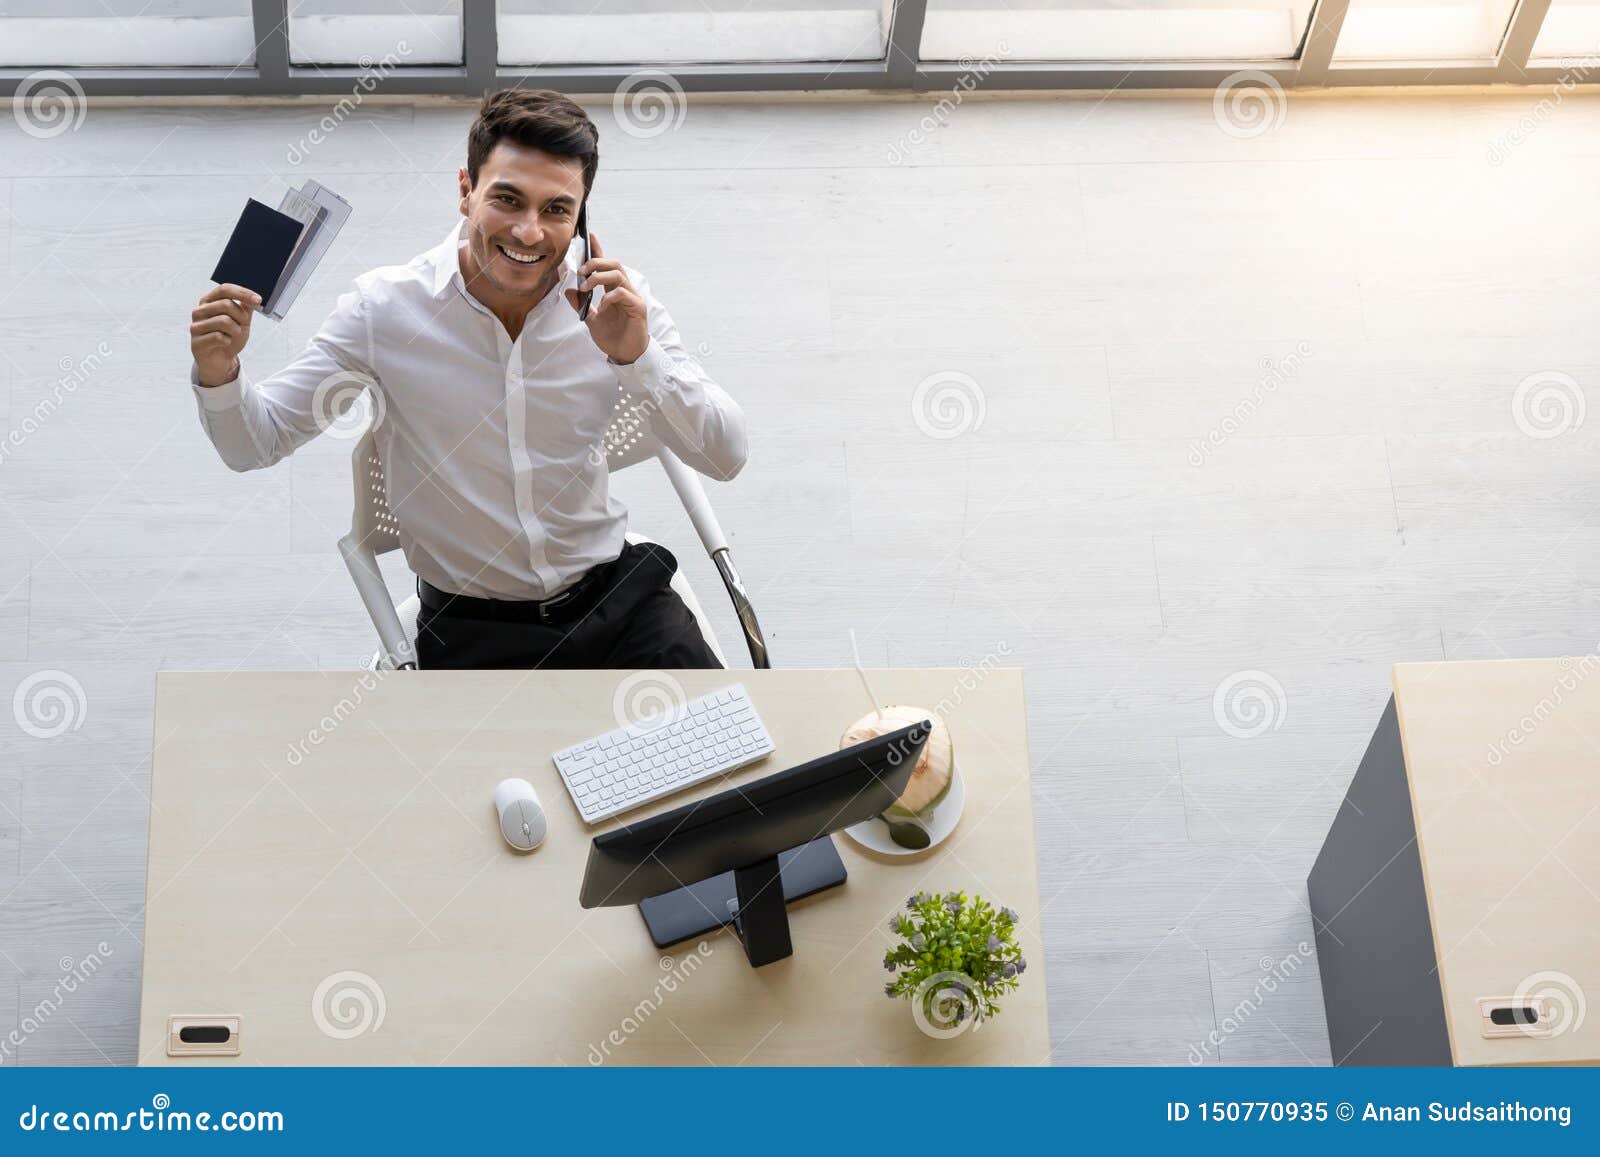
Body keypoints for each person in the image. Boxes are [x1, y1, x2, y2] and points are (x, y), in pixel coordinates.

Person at [187, 89, 746, 670]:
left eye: (557, 209)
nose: (529, 232)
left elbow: (726, 457)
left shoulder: (619, 302)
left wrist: (637, 357)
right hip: (474, 628)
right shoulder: (384, 310)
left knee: (725, 730)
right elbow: (255, 443)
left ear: (581, 215)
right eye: (508, 199)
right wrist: (220, 371)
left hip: (618, 603)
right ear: (466, 190)